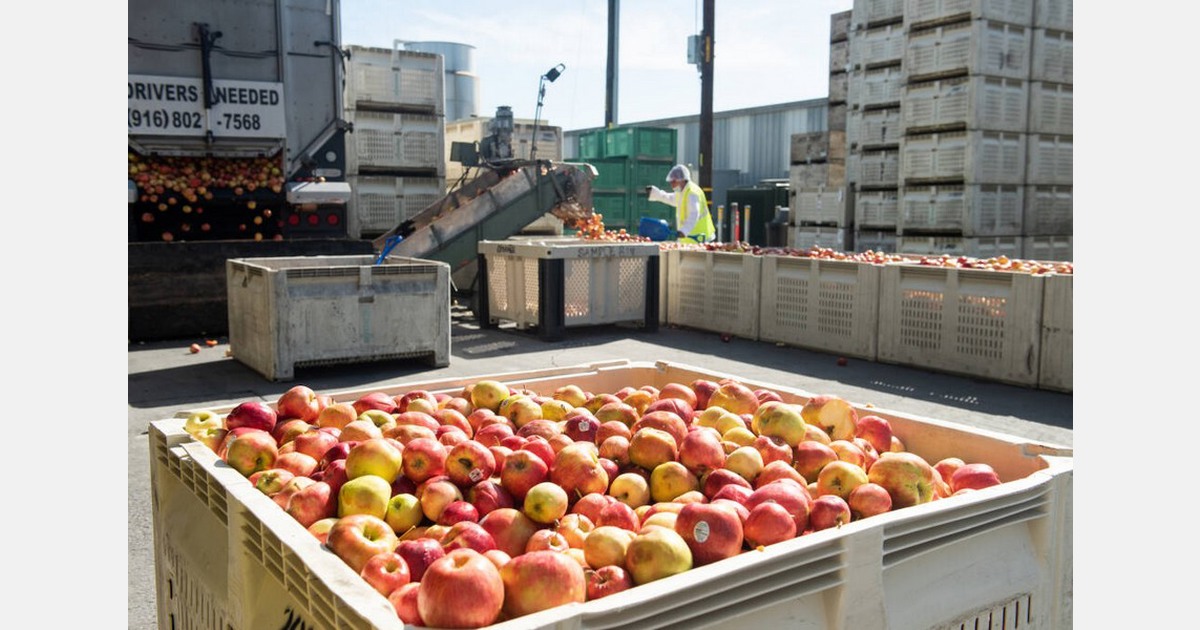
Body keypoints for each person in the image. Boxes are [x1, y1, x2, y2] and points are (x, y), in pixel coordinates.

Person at [647, 164, 716, 243]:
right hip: (692, 239)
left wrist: (684, 231)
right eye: (671, 182)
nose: (672, 185)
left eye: (674, 181)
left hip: (701, 238)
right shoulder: (682, 192)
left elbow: (694, 213)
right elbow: (671, 198)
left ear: (682, 180)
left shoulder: (692, 193)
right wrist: (655, 193)